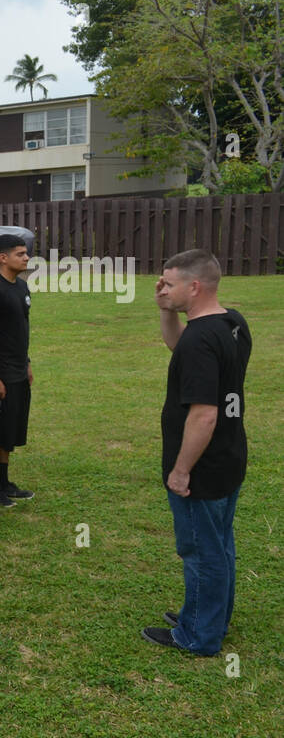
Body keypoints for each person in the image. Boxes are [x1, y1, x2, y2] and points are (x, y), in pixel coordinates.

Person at [143, 250, 250, 655]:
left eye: (169, 284)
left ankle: (198, 637)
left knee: (201, 551)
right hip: (229, 456)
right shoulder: (231, 322)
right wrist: (166, 310)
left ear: (195, 286)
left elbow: (203, 416)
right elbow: (181, 347)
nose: (162, 288)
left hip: (203, 465)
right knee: (219, 543)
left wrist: (182, 469)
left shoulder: (202, 339)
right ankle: (209, 616)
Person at [0, 234, 35, 506]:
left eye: (26, 253)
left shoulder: (22, 287)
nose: (26, 258)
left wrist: (26, 364)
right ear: (3, 257)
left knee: (9, 429)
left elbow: (21, 329)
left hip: (17, 370)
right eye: (21, 254)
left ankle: (5, 481)